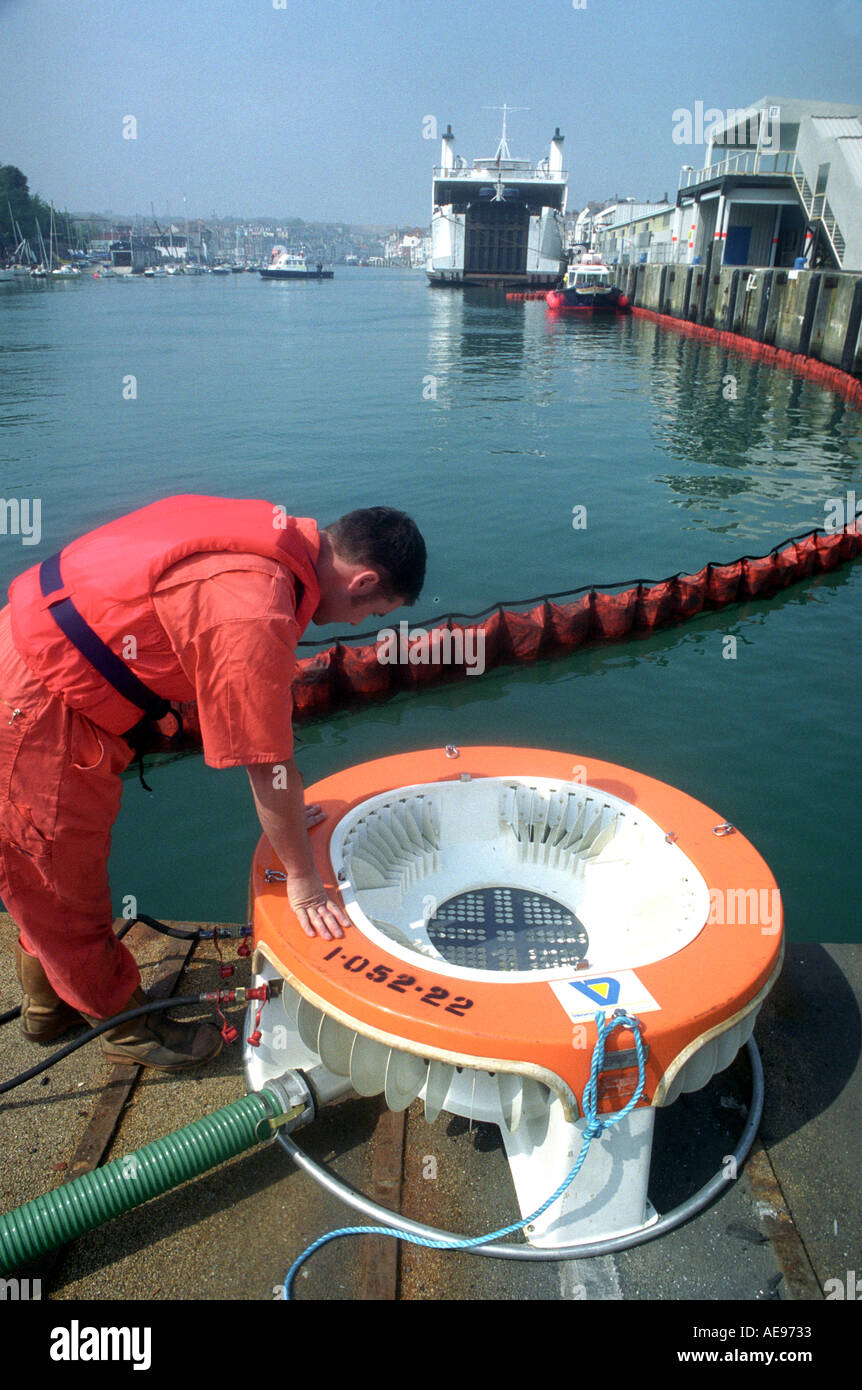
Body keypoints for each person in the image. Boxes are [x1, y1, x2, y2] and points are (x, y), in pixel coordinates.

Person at [0, 494, 426, 1070]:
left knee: (47, 874)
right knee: (57, 880)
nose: (359, 626)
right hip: (37, 708)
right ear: (363, 580)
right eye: (373, 613)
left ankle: (48, 1006)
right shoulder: (254, 605)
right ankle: (126, 1027)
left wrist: (284, 820)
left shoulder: (268, 531)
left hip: (36, 660)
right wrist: (302, 880)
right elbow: (268, 762)